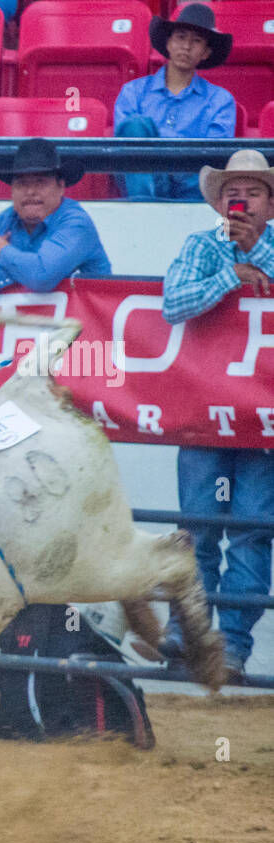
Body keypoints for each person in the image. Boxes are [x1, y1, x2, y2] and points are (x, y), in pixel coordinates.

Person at [160, 149, 274, 680]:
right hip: (208, 410)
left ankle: (230, 647)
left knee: (249, 532)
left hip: (261, 417)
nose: (241, 198)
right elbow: (173, 304)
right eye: (235, 190)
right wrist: (231, 275)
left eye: (253, 190)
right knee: (200, 529)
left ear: (269, 204)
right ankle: (187, 635)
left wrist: (258, 259)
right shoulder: (201, 246)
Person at [113, 3, 235, 201]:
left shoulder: (221, 100)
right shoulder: (133, 92)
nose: (186, 46)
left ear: (206, 53)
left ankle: (145, 206)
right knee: (135, 127)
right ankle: (146, 205)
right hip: (142, 180)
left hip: (192, 190)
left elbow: (214, 158)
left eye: (196, 41)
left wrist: (159, 146)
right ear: (168, 42)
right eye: (180, 37)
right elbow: (124, 149)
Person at [0, 138, 112, 295]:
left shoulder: (76, 223)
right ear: (12, 190)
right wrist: (22, 273)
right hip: (18, 318)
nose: (30, 192)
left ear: (61, 187)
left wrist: (0, 249)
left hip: (82, 319)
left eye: (40, 183)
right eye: (21, 184)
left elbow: (41, 278)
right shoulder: (5, 220)